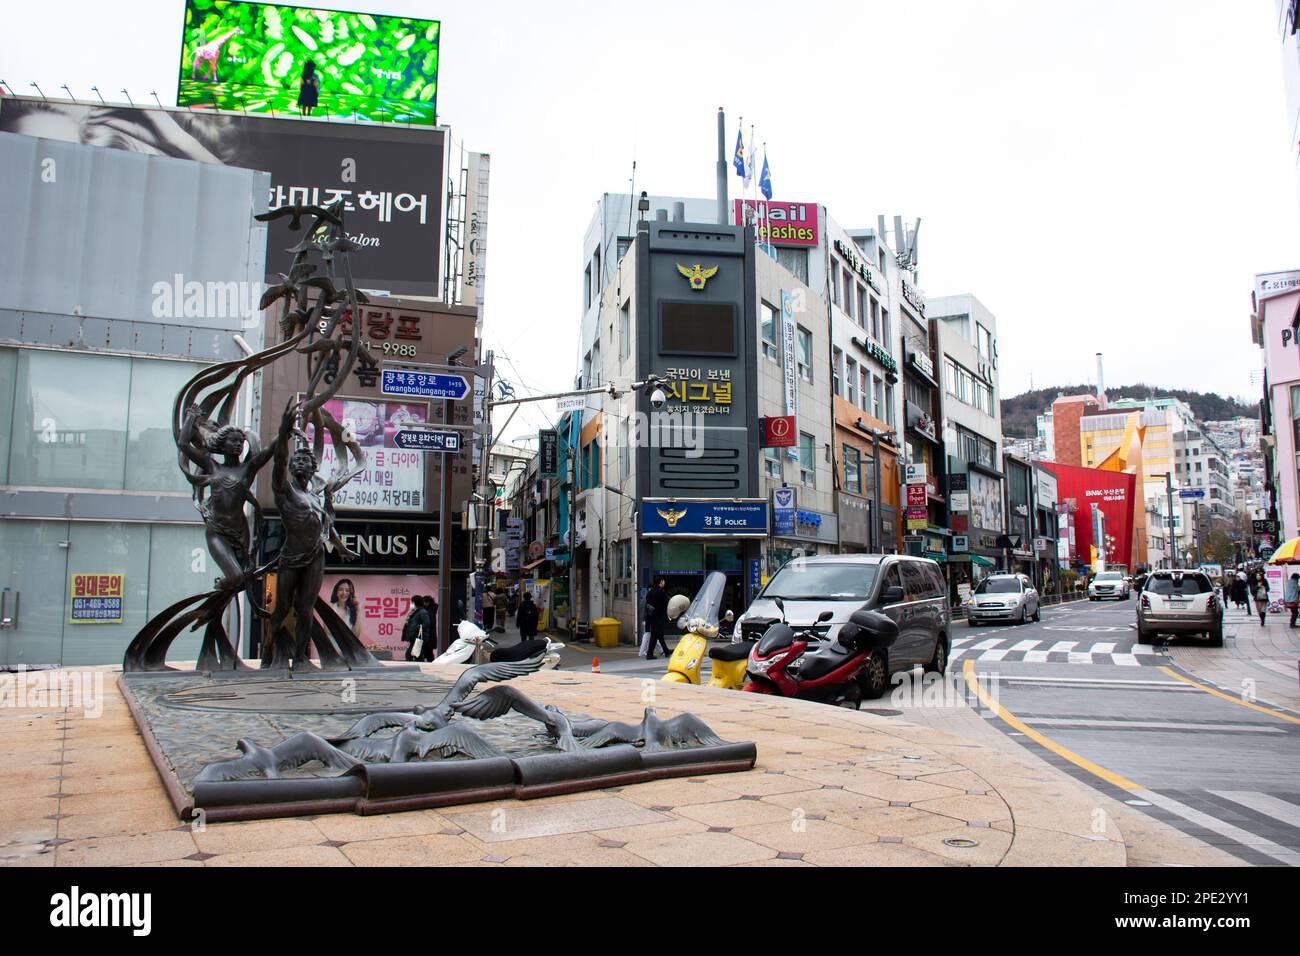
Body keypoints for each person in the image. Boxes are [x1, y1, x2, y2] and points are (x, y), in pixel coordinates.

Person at [645, 578, 670, 660]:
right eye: (663, 581)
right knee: (657, 635)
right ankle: (652, 654)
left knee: (656, 635)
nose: (664, 582)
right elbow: (666, 603)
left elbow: (647, 605)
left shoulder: (650, 592)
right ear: (661, 582)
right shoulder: (661, 592)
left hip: (652, 617)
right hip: (659, 617)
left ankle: (665, 652)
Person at [404, 596, 433, 662]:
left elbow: (427, 623)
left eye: (412, 602)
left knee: (410, 654)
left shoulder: (422, 612)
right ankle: (420, 666)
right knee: (417, 654)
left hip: (418, 637)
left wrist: (417, 628)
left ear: (415, 603)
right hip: (414, 636)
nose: (411, 604)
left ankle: (411, 668)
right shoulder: (416, 611)